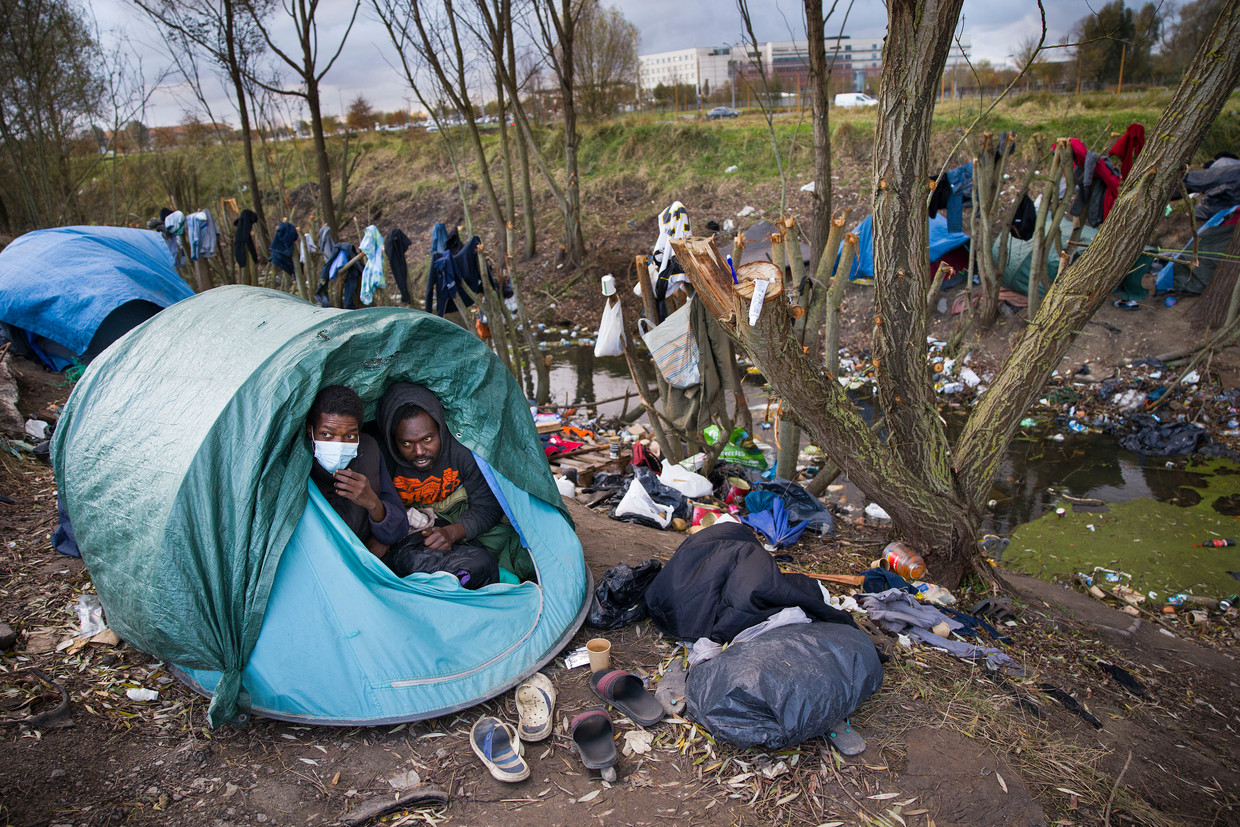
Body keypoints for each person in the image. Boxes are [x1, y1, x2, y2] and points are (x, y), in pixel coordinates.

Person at [375, 383, 534, 588]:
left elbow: (487, 507)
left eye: (427, 439)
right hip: (415, 537)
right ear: (393, 440)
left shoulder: (462, 451)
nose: (419, 451)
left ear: (440, 429)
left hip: (463, 527)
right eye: (406, 443)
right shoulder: (383, 459)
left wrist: (451, 533)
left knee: (524, 551)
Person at [305, 385, 407, 555]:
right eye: (327, 435)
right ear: (311, 431)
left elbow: (399, 529)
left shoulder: (368, 452)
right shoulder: (299, 468)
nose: (338, 445)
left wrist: (373, 504)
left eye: (350, 436)